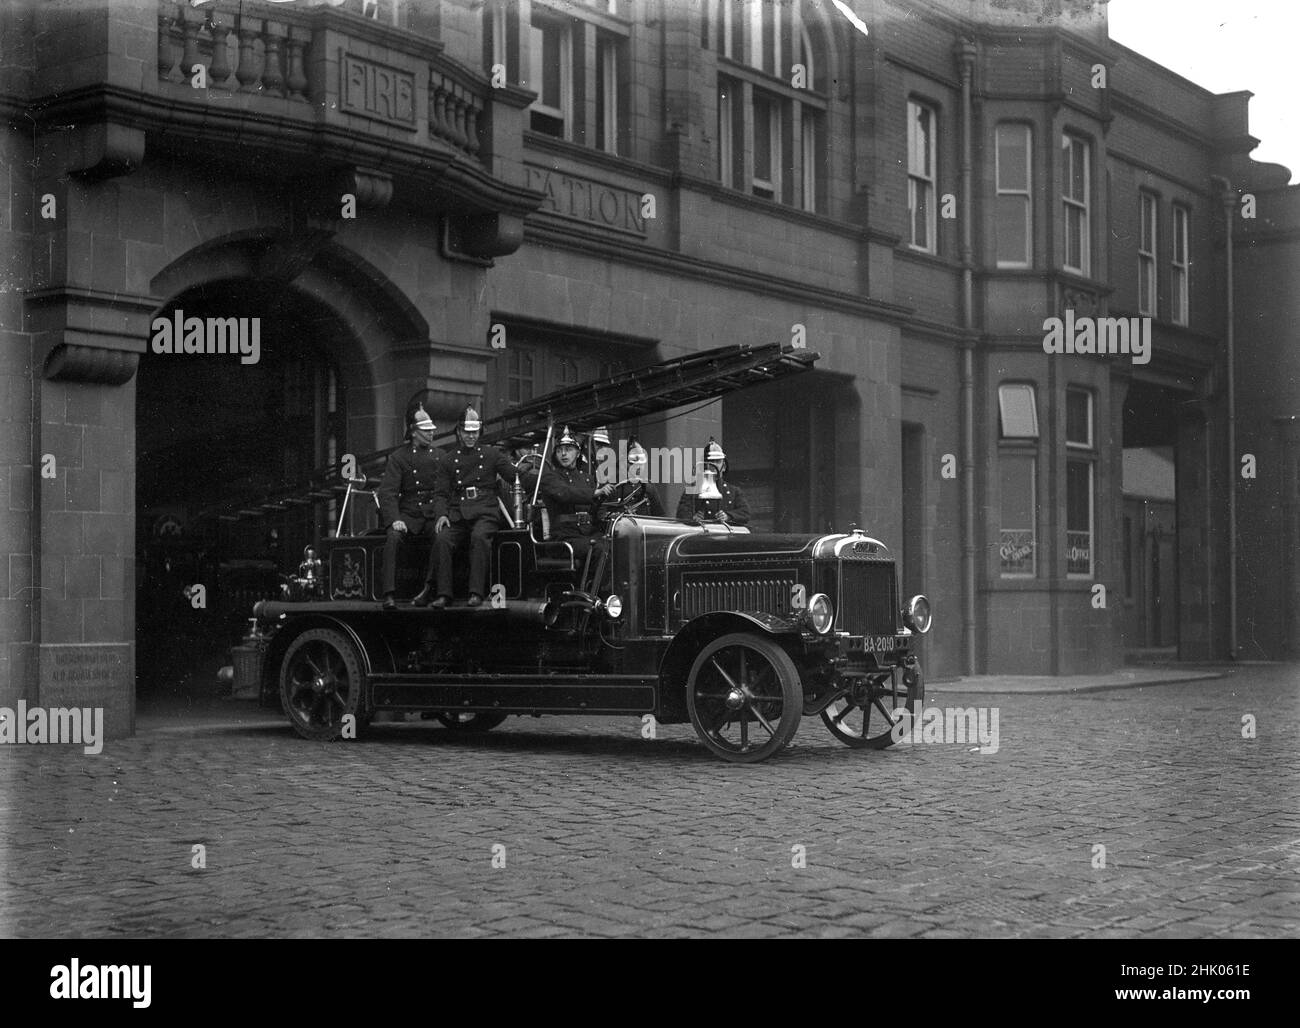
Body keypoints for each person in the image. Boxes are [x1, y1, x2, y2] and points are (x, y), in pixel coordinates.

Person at [431, 405, 516, 607]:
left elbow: (514, 476)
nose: (471, 436)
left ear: (479, 432)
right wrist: (441, 515)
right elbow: (441, 493)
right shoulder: (448, 459)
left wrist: (541, 478)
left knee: (479, 537)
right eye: (467, 432)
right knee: (442, 539)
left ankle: (476, 592)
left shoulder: (492, 455)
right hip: (458, 513)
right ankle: (444, 594)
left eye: (474, 432)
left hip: (485, 512)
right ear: (459, 432)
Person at [377, 403, 443, 611]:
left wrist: (443, 515)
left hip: (433, 514)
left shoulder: (441, 456)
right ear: (414, 432)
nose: (431, 433)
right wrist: (394, 519)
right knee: (393, 537)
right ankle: (388, 594)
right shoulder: (399, 457)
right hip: (408, 514)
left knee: (443, 537)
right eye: (426, 430)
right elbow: (387, 493)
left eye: (432, 429)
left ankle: (429, 589)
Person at [533, 426, 616, 562]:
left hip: (588, 533)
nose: (563, 454)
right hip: (564, 537)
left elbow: (595, 510)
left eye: (568, 450)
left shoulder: (587, 478)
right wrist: (595, 493)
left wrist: (604, 501)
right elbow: (565, 493)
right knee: (600, 549)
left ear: (578, 453)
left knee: (618, 544)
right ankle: (596, 584)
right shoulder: (550, 477)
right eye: (559, 451)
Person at [591, 428, 665, 517]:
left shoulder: (649, 487)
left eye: (641, 464)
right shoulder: (610, 483)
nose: (638, 467)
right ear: (623, 462)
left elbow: (660, 516)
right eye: (633, 463)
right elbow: (599, 514)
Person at [676, 437, 750, 526]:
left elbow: (745, 513)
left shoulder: (734, 491)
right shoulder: (692, 490)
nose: (713, 465)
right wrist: (693, 519)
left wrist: (728, 516)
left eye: (717, 461)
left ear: (724, 466)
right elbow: (681, 514)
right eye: (710, 461)